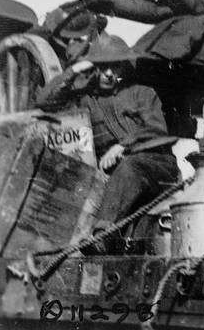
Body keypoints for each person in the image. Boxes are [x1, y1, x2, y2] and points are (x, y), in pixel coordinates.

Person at [36, 35, 179, 253]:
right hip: (118, 175)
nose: (110, 74)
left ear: (124, 68)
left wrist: (123, 146)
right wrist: (74, 70)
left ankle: (102, 235)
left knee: (132, 165)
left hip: (157, 165)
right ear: (94, 67)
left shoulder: (142, 92)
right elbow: (45, 102)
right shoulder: (85, 99)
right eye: (104, 67)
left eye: (116, 67)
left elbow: (157, 131)